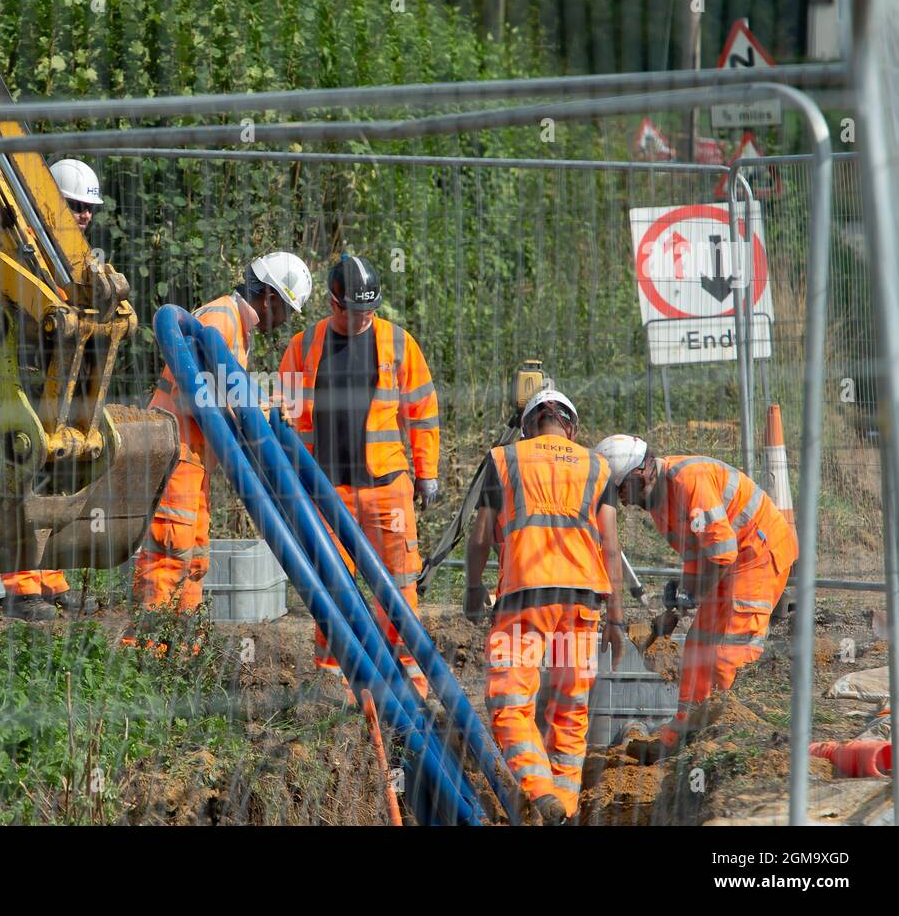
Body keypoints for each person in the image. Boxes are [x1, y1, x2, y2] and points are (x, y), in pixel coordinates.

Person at [278, 255, 439, 699]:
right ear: (333, 303)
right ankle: (334, 684)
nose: (364, 318)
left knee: (400, 584)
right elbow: (284, 419)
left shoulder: (398, 343)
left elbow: (422, 412)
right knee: (332, 587)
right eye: (355, 310)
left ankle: (410, 683)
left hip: (386, 486)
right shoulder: (303, 346)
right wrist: (291, 481)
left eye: (370, 309)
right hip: (327, 492)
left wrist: (427, 473)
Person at [130, 252, 313, 626]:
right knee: (170, 553)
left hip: (192, 458)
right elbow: (203, 395)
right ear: (271, 297)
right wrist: (257, 412)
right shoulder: (220, 318)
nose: (285, 322)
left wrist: (261, 406)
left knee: (194, 558)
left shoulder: (235, 328)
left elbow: (222, 393)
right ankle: (148, 653)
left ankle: (182, 648)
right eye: (288, 311)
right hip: (174, 453)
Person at [466, 390, 624, 826]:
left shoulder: (504, 459)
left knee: (510, 702)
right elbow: (610, 548)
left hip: (524, 599)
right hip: (582, 604)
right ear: (570, 428)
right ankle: (566, 812)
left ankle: (540, 791)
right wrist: (617, 619)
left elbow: (480, 538)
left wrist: (473, 589)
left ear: (529, 424)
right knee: (570, 710)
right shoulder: (597, 466)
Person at [593, 435, 798, 762]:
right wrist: (675, 609)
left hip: (756, 554)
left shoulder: (689, 480)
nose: (623, 500)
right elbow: (697, 554)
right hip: (728, 560)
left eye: (621, 489)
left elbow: (720, 552)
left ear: (641, 472)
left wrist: (690, 596)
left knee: (727, 653)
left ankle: (733, 741)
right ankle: (682, 741)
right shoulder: (659, 505)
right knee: (697, 652)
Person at [1, 158, 106, 618]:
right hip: (26, 374)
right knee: (22, 470)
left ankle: (52, 578)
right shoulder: (28, 253)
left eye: (88, 208)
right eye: (74, 206)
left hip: (63, 380)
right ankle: (22, 586)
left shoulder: (84, 263)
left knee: (59, 475)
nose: (83, 216)